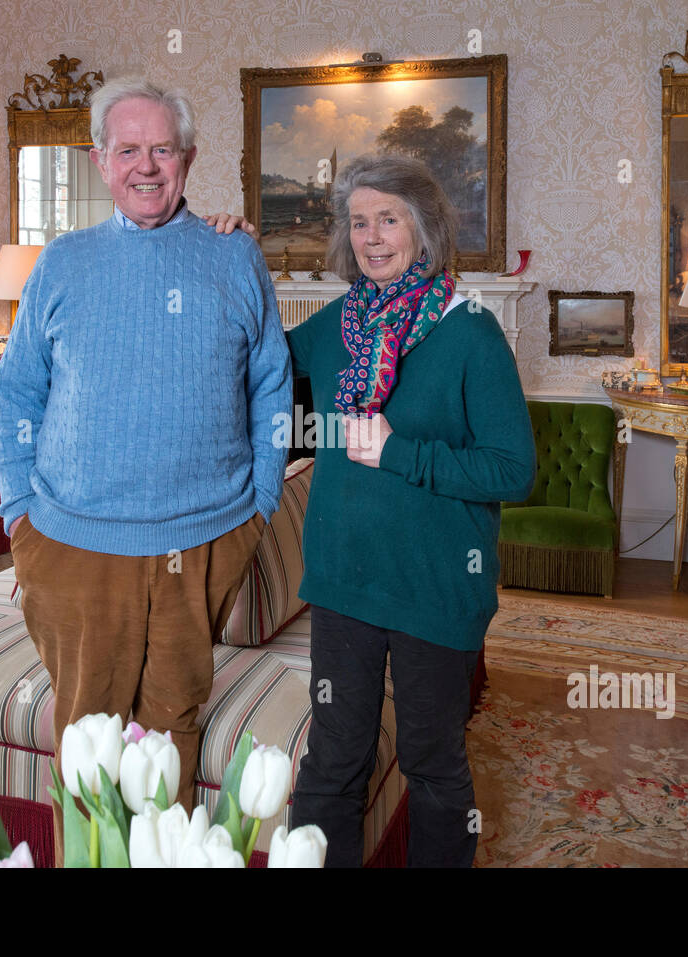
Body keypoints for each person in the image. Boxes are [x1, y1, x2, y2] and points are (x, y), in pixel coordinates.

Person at [0, 76, 291, 862]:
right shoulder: (61, 263)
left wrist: (258, 505)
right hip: (72, 547)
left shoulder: (234, 255)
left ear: (189, 158)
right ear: (100, 160)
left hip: (203, 543)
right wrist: (20, 511)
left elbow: (272, 387)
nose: (146, 166)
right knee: (87, 751)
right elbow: (16, 392)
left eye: (163, 148)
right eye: (128, 149)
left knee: (172, 742)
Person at [286, 154, 536, 867]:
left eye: (387, 218)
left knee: (432, 765)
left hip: (434, 584)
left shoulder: (471, 333)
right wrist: (228, 252)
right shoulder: (336, 325)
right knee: (333, 762)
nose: (371, 236)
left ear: (423, 229)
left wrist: (402, 452)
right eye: (359, 221)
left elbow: (514, 470)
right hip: (342, 581)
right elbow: (258, 362)